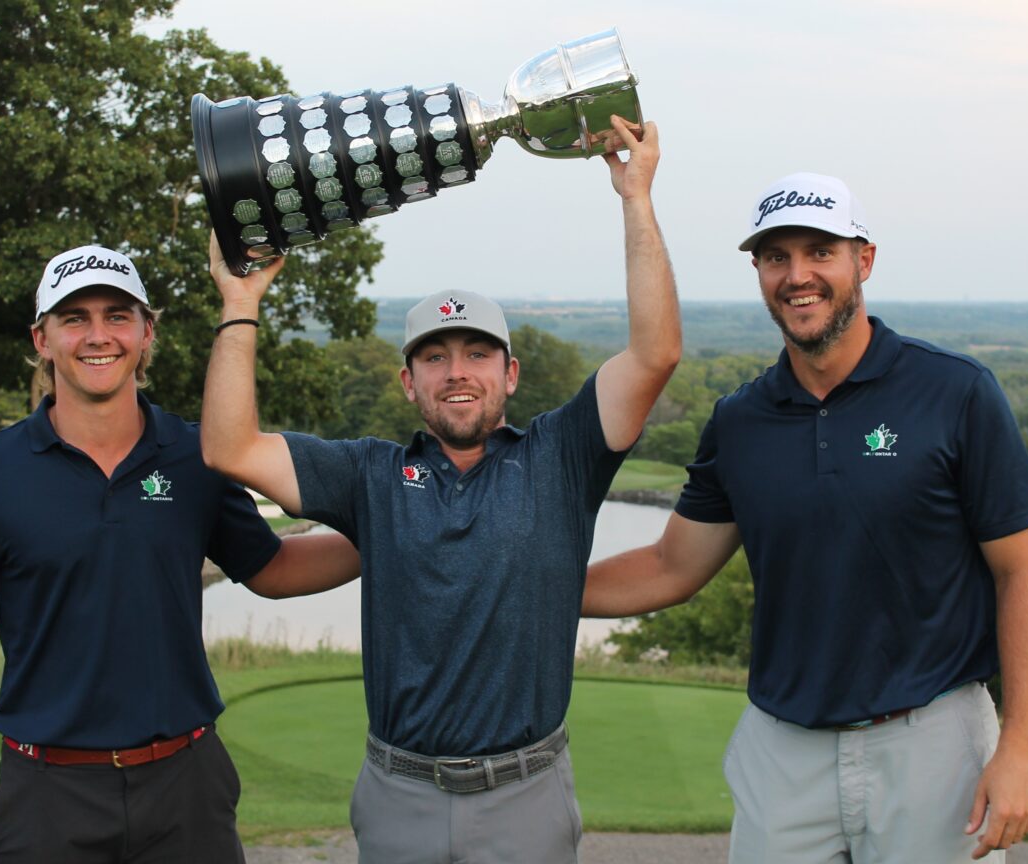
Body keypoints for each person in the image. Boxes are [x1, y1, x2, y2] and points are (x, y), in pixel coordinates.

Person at [200, 116, 678, 863]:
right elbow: (231, 447)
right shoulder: (372, 475)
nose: (458, 371)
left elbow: (655, 354)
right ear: (408, 382)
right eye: (436, 357)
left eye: (478, 353)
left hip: (526, 796)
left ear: (509, 374)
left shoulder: (563, 457)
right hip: (400, 797)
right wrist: (240, 302)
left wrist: (635, 199)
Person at [583, 172, 1028, 862]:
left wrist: (1018, 748)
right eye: (777, 257)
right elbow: (669, 566)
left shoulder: (955, 392)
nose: (797, 275)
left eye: (819, 251)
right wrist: (536, 590)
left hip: (932, 741)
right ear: (758, 271)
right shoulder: (741, 420)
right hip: (784, 754)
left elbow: (1023, 576)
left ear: (863, 260)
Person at [0, 244, 360, 864]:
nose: (98, 336)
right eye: (74, 319)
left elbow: (272, 568)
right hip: (46, 792)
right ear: (42, 339)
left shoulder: (197, 454)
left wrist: (383, 537)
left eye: (117, 316)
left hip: (185, 783)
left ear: (146, 333)